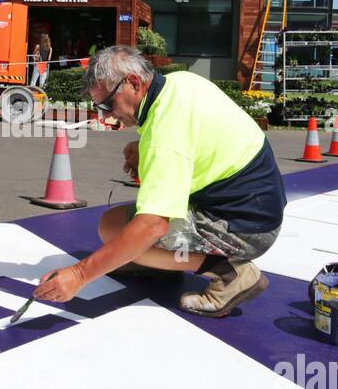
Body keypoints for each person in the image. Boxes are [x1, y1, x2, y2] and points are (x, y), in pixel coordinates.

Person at [33, 46, 286, 318]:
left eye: (107, 104)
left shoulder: (165, 135)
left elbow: (153, 226)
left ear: (133, 83)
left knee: (130, 237)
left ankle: (232, 275)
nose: (105, 116)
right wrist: (144, 144)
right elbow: (193, 134)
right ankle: (160, 262)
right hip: (255, 206)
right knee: (113, 225)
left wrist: (80, 275)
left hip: (247, 227)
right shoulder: (177, 84)